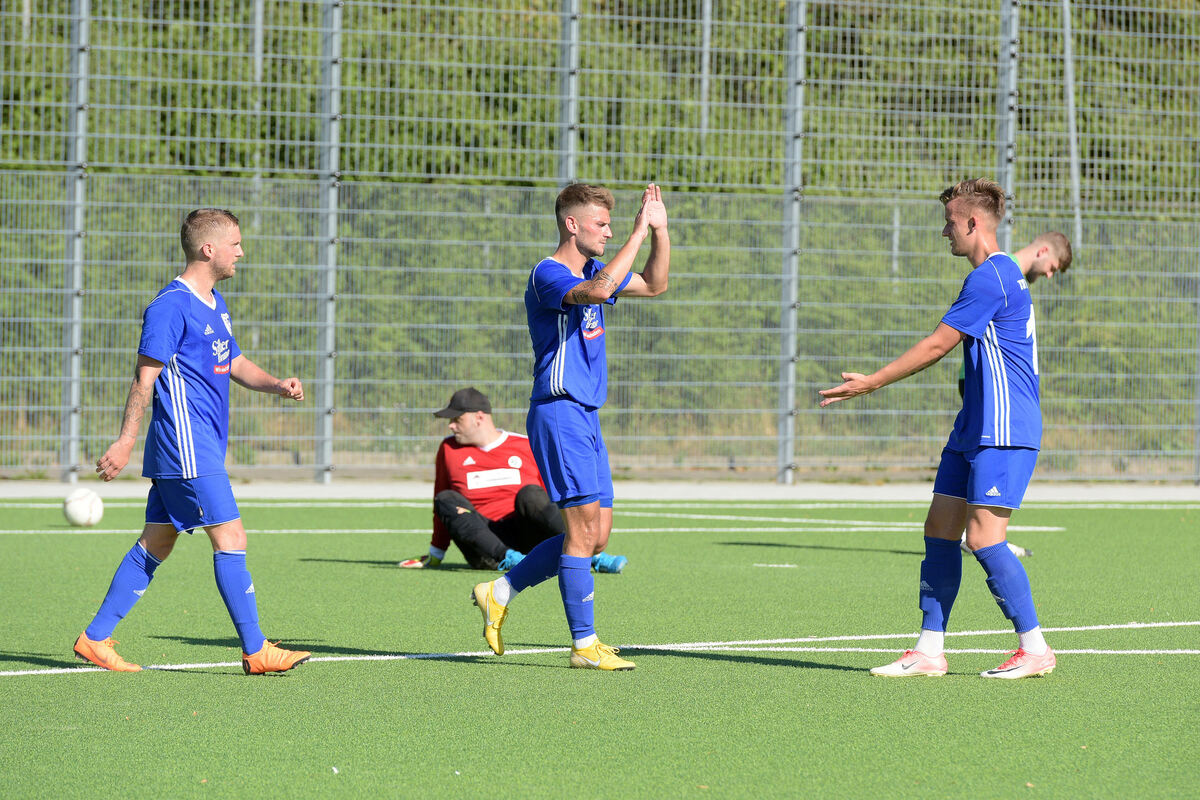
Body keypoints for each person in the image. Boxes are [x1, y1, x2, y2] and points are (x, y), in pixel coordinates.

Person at [820, 178, 1055, 679]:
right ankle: (929, 650)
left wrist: (872, 383)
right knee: (940, 530)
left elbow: (936, 345)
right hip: (974, 426)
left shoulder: (990, 276)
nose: (943, 231)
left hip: (1005, 427)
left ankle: (1035, 648)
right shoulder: (1003, 270)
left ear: (973, 223)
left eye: (950, 222)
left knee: (985, 538)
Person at [75, 209, 311, 675]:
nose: (241, 252)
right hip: (186, 446)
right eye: (236, 244)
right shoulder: (169, 306)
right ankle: (256, 649)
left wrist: (276, 385)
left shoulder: (214, 301)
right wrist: (125, 441)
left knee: (157, 542)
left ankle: (95, 639)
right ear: (209, 249)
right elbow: (145, 378)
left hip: (195, 446)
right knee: (231, 537)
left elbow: (235, 361)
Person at [471, 182, 670, 671]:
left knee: (596, 535)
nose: (608, 231)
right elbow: (600, 292)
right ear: (571, 224)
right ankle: (584, 645)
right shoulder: (548, 274)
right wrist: (640, 228)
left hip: (586, 414)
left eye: (611, 224)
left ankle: (500, 589)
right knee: (581, 533)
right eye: (601, 223)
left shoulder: (601, 268)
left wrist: (661, 231)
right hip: (559, 411)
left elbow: (655, 284)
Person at [398, 387, 627, 574]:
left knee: (531, 494)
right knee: (445, 498)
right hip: (484, 546)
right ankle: (511, 561)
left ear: (479, 418)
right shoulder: (448, 449)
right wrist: (436, 554)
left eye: (457, 419)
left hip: (529, 537)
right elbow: (442, 508)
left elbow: (551, 499)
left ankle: (590, 555)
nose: (451, 425)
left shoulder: (525, 445)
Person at [958, 230, 1073, 558]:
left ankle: (980, 531)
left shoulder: (1011, 276)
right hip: (989, 384)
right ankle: (986, 534)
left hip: (991, 384)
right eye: (1054, 266)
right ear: (1044, 250)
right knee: (989, 454)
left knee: (981, 457)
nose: (1050, 274)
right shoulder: (1003, 271)